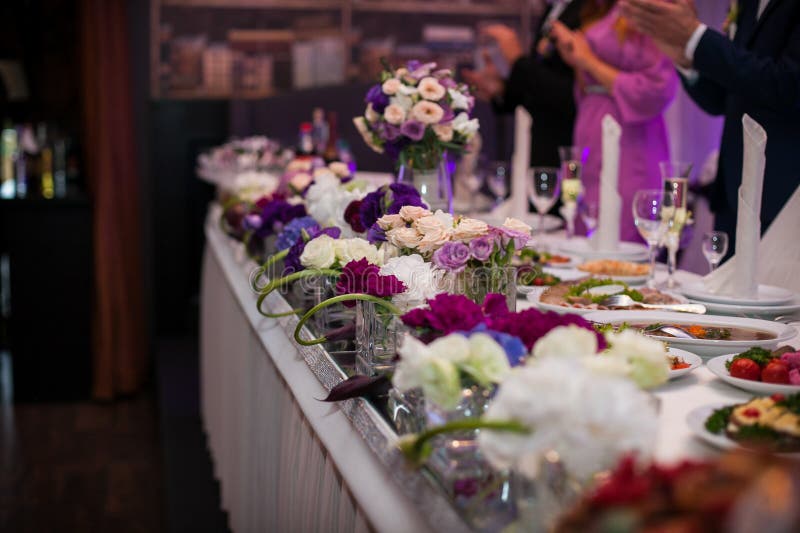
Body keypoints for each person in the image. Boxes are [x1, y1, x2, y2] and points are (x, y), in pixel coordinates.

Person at [620, 0, 800, 255]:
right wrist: (684, 56)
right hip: (733, 193)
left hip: (785, 199)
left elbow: (787, 86)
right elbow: (721, 99)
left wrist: (696, 37)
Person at [549, 0, 678, 242]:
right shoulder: (601, 7)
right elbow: (590, 81)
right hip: (591, 126)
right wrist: (576, 58)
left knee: (622, 225)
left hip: (628, 136)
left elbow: (658, 87)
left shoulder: (646, 8)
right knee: (587, 219)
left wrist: (589, 61)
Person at [462, 0, 588, 166]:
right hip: (543, 146)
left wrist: (517, 59)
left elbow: (574, 94)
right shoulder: (554, 9)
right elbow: (542, 86)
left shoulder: (589, 10)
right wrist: (501, 89)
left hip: (572, 150)